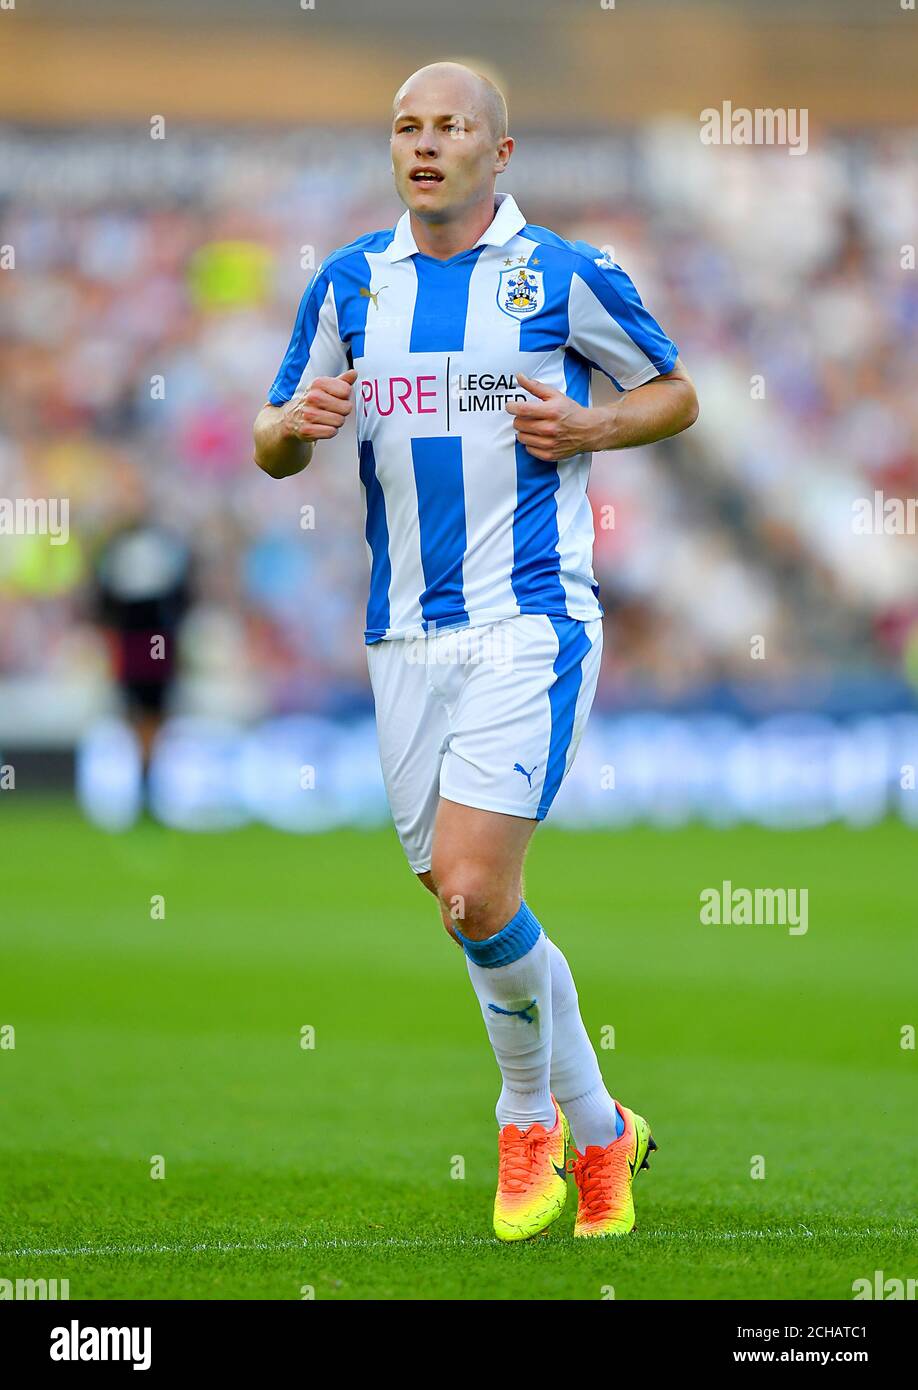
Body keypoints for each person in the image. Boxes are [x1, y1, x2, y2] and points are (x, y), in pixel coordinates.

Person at [254, 62, 698, 1241]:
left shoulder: (563, 273)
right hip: (403, 638)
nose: (426, 143)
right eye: (407, 126)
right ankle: (605, 1127)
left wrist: (596, 422)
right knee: (467, 905)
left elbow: (676, 391)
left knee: (472, 886)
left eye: (452, 126)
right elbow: (269, 436)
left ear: (499, 153)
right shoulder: (351, 283)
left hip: (532, 619)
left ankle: (526, 1125)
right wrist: (290, 432)